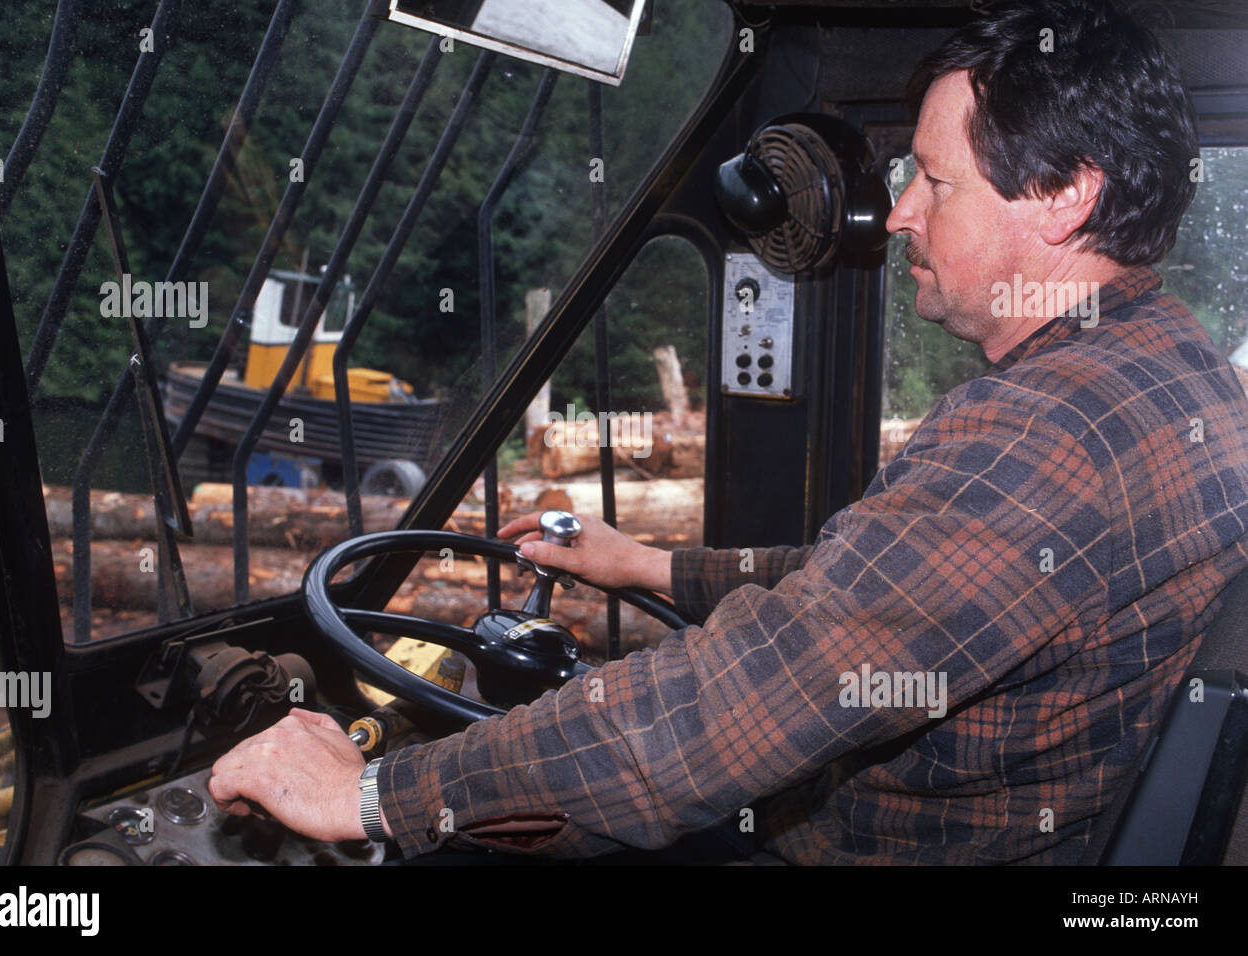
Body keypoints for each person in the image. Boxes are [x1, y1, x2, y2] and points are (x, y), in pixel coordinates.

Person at [209, 0, 1248, 864]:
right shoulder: (1169, 367)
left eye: (933, 181)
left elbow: (727, 713)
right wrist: (657, 567)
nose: (896, 218)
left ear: (1065, 197)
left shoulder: (1039, 438)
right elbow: (884, 585)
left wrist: (380, 791)